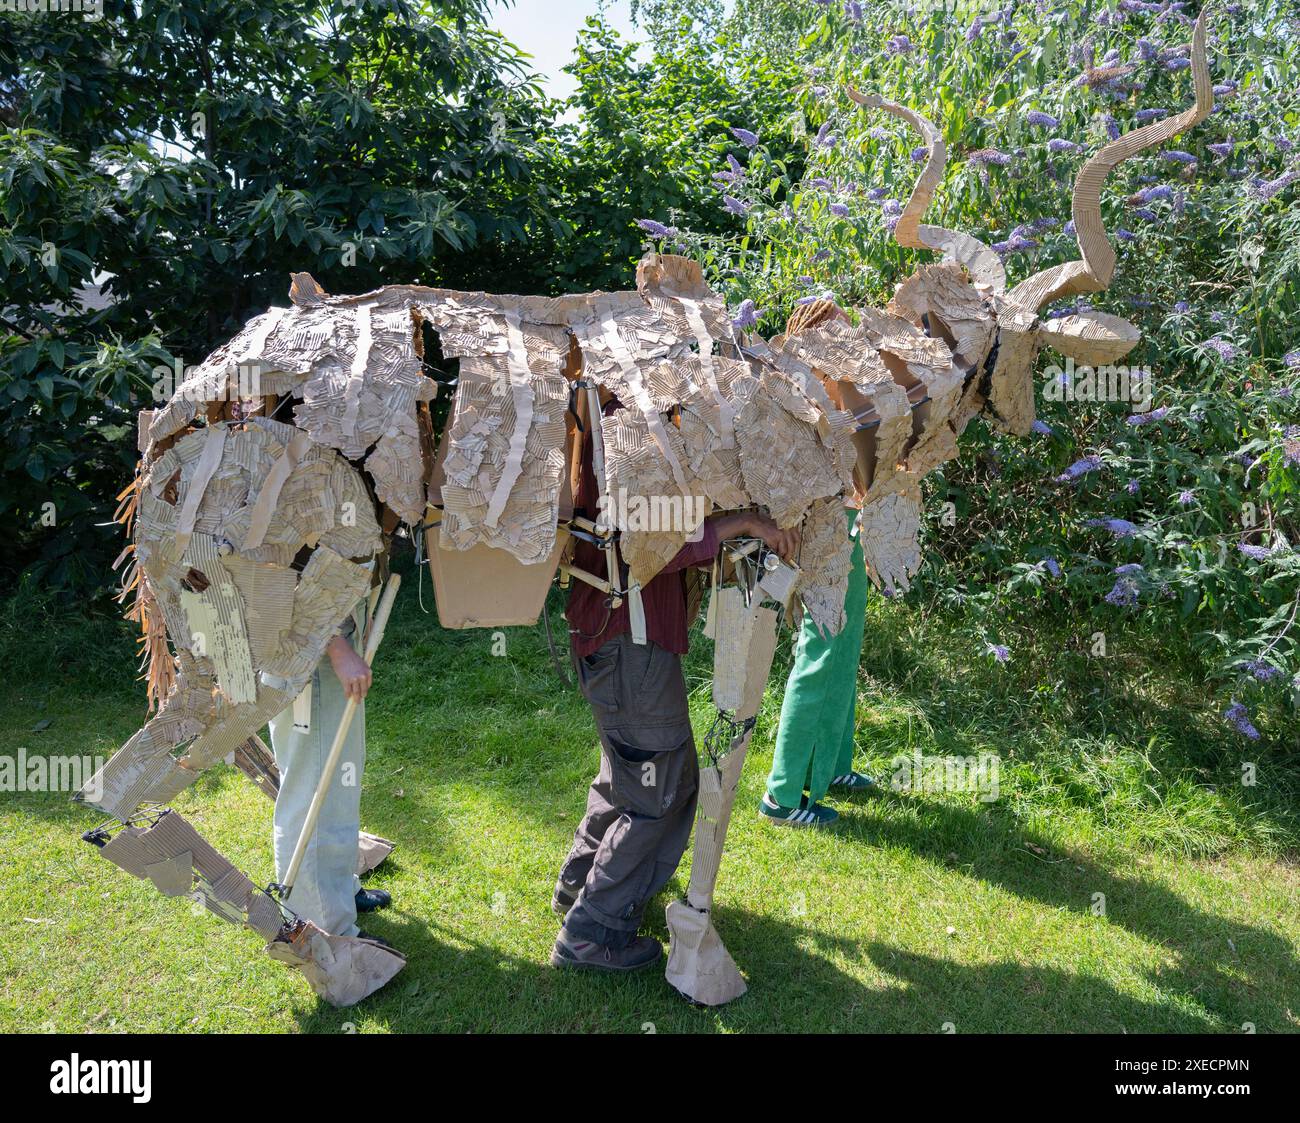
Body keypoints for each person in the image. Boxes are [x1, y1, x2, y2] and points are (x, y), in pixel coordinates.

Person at [552, 393, 798, 973]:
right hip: (626, 645)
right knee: (660, 786)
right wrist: (741, 522)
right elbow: (651, 541)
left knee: (631, 773)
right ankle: (594, 930)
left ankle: (581, 885)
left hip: (615, 643)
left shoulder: (605, 427)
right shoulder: (625, 434)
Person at [760, 300, 876, 829]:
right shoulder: (794, 392)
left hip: (851, 529)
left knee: (844, 647)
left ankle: (831, 768)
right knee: (820, 652)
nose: (845, 340)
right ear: (808, 337)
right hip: (819, 539)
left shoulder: (842, 387)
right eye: (834, 331)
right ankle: (782, 796)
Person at [268, 611, 394, 942]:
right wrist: (337, 648)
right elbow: (284, 581)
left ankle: (337, 892)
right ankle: (323, 931)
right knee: (311, 794)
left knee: (337, 788)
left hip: (326, 648)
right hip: (308, 657)